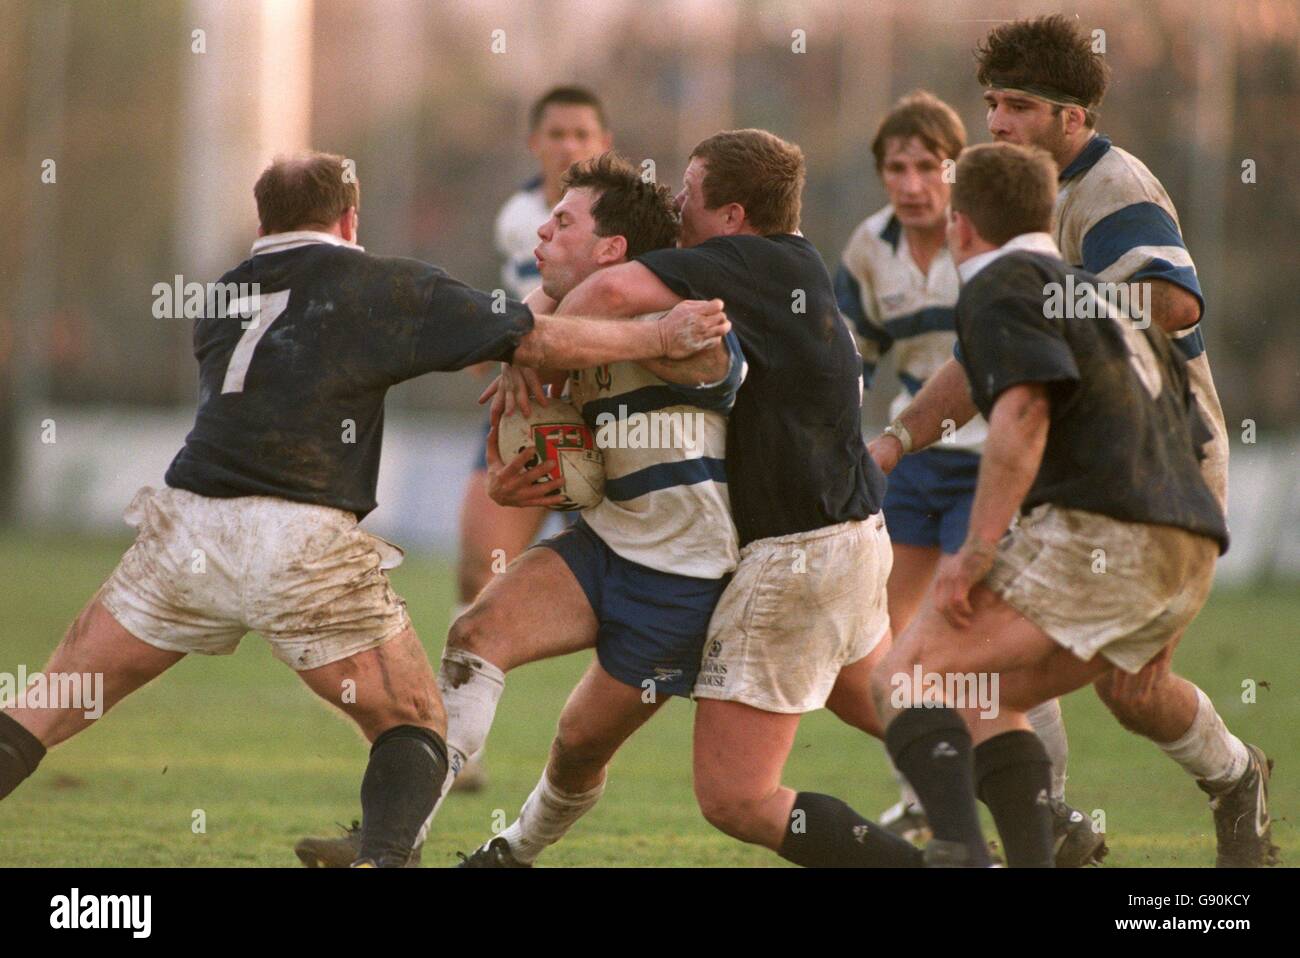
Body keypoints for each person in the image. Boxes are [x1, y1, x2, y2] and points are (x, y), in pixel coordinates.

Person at [0, 151, 729, 869]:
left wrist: (523, 353)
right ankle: (384, 859)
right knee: (413, 723)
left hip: (184, 526)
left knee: (50, 703)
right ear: (350, 219)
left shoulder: (220, 297)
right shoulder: (376, 282)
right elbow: (523, 331)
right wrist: (650, 337)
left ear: (264, 221)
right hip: (298, 536)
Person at [868, 14, 1272, 868]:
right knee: (1126, 690)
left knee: (936, 668)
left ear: (1073, 119)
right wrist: (901, 436)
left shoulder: (1110, 188)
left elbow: (1174, 303)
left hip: (1152, 467)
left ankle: (1006, 839)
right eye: (991, 104)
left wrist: (1061, 310)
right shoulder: (1023, 243)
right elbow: (984, 364)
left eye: (1019, 106)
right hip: (1112, 485)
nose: (999, 123)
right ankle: (1211, 784)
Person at [295, 151, 742, 868]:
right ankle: (389, 846)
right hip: (603, 548)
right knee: (476, 634)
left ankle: (513, 852)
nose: (540, 234)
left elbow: (711, 365)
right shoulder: (556, 328)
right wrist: (519, 474)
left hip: (683, 581)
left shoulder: (676, 321)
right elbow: (555, 435)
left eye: (562, 222)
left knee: (576, 751)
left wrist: (527, 346)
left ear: (612, 250)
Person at [497, 129, 922, 868]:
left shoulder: (740, 266)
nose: (674, 205)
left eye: (687, 195)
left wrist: (535, 346)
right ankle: (1039, 809)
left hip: (795, 555)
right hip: (852, 539)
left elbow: (607, 287)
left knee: (736, 796)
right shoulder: (786, 268)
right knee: (906, 717)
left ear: (730, 216)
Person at [451, 86, 614, 792]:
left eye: (583, 132)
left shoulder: (627, 218)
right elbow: (525, 312)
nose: (570, 145)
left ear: (603, 141)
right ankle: (460, 749)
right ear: (535, 143)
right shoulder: (517, 217)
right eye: (557, 132)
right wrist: (496, 344)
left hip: (606, 422)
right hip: (525, 415)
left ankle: (594, 739)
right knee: (475, 566)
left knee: (631, 587)